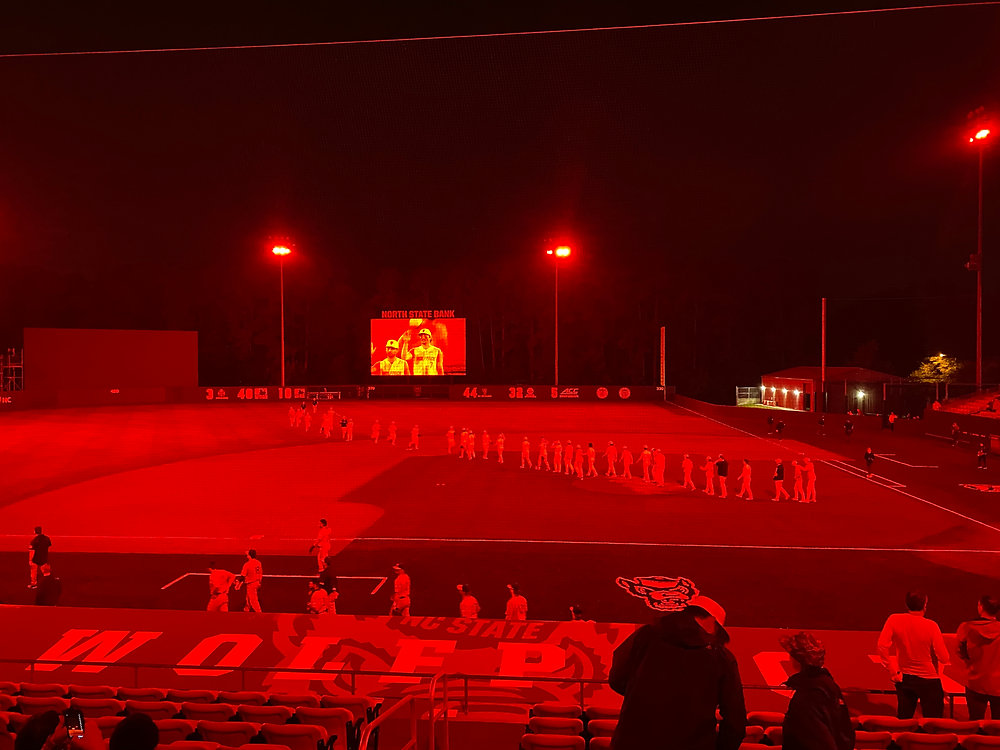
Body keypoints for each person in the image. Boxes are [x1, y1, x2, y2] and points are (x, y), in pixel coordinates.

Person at [609, 595, 746, 750]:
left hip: (631, 741)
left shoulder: (646, 635)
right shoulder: (721, 657)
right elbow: (735, 720)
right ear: (712, 622)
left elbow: (616, 678)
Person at [877, 590, 950, 719]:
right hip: (929, 680)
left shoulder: (894, 619)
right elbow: (944, 657)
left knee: (904, 720)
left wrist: (892, 671)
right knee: (933, 723)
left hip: (906, 678)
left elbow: (882, 646)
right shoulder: (931, 626)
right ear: (924, 605)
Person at [780, 632, 854, 750]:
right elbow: (845, 732)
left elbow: (817, 738)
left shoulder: (808, 694)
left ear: (798, 659)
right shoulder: (830, 686)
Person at [957, 595, 1000, 720]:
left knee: (975, 723)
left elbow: (960, 652)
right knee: (998, 727)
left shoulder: (966, 627)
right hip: (998, 686)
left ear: (981, 607)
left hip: (975, 683)